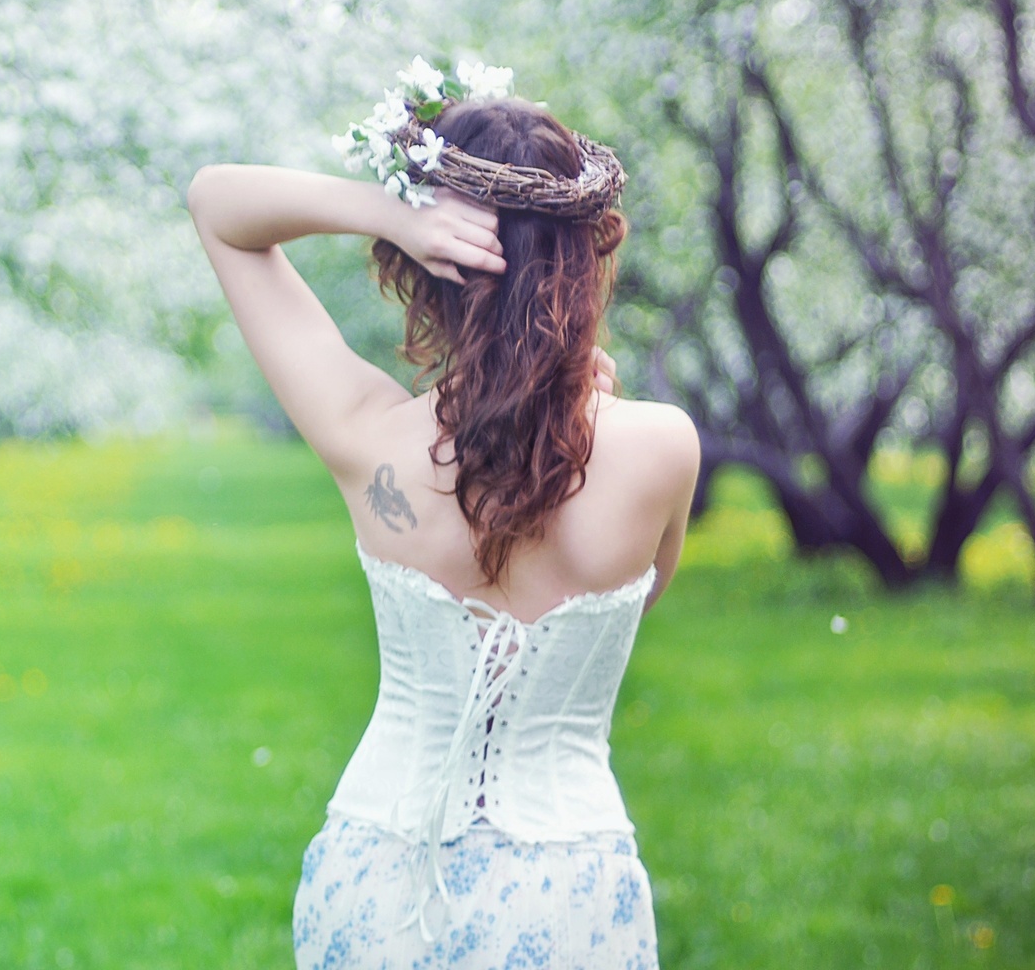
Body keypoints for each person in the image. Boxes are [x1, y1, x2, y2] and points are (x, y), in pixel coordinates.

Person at [187, 88, 700, 968]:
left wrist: (390, 206)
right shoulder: (662, 449)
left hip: (377, 881)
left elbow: (216, 202)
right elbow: (637, 604)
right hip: (568, 895)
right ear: (583, 261)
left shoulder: (368, 440)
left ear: (424, 267)